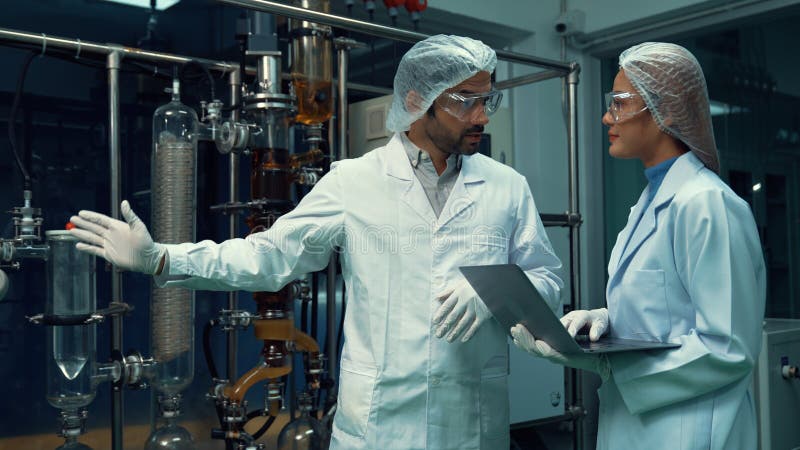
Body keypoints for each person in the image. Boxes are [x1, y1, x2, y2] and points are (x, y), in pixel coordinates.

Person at [69, 35, 563, 450]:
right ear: (416, 100)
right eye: (465, 101)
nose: (482, 116)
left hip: (471, 424)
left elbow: (547, 281)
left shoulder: (506, 186)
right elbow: (269, 257)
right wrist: (161, 260)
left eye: (487, 99)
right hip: (379, 425)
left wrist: (498, 293)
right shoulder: (353, 182)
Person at [511, 42, 766, 450]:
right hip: (638, 428)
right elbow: (667, 311)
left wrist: (609, 366)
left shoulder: (706, 204)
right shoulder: (650, 201)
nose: (606, 117)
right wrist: (607, 323)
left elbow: (728, 348)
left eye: (621, 103)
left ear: (665, 111)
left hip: (693, 433)